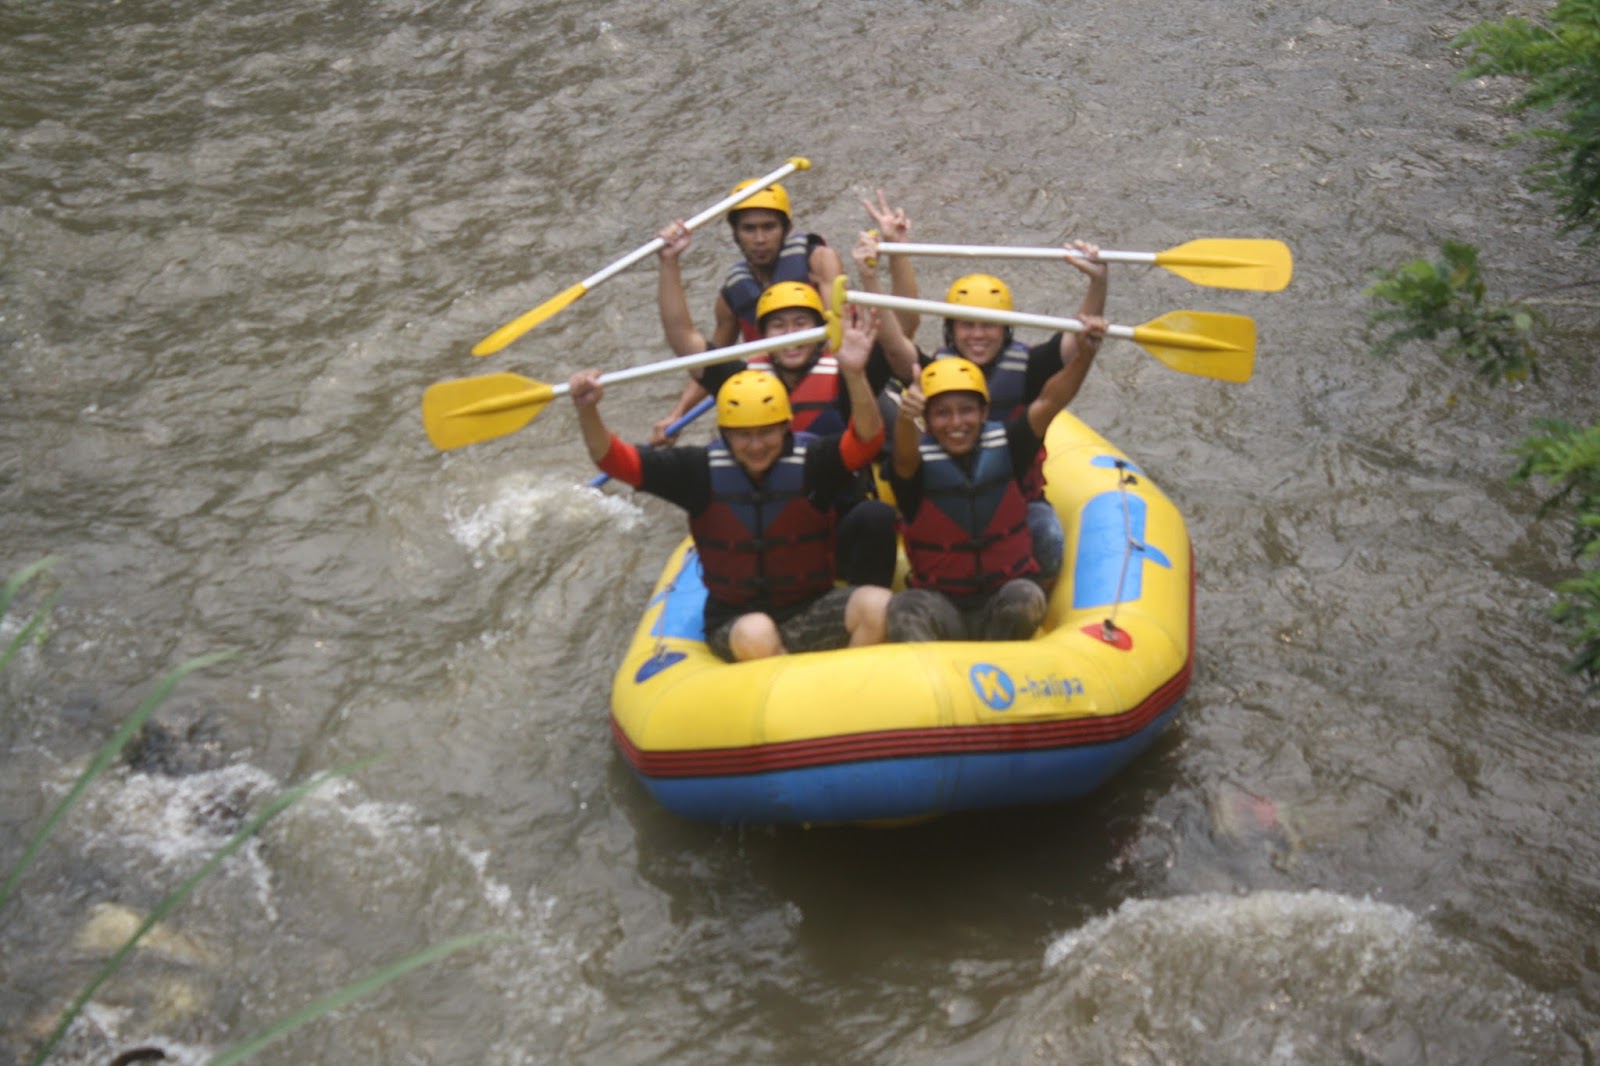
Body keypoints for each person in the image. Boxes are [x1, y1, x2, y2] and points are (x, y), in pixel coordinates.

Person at [569, 306, 891, 664]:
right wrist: (588, 411)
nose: (756, 446)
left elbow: (867, 441)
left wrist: (854, 372)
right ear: (724, 434)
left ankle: (844, 690)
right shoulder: (698, 471)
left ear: (786, 427)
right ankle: (794, 703)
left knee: (877, 605)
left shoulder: (814, 461)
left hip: (809, 606)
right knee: (758, 632)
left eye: (766, 433)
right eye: (743, 436)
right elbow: (615, 461)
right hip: (736, 620)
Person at [864, 198, 1109, 584]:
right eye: (966, 326)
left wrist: (1098, 283)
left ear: (1006, 328)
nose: (977, 335)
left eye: (988, 325)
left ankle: (1034, 598)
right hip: (945, 491)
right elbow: (894, 341)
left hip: (1015, 494)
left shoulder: (1028, 367)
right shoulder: (934, 372)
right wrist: (887, 259)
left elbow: (1079, 341)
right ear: (951, 331)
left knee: (1046, 540)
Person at [883, 334, 1105, 644]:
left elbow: (1052, 401)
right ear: (928, 420)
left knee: (1027, 595)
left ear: (984, 413)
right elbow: (904, 458)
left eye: (966, 410)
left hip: (999, 602)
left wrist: (1085, 356)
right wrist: (907, 418)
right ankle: (938, 683)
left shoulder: (1010, 446)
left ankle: (996, 669)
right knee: (904, 608)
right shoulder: (916, 467)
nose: (956, 422)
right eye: (943, 413)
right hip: (943, 605)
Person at [652, 178, 844, 444]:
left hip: (833, 376)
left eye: (769, 227)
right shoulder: (732, 295)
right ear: (735, 233)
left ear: (786, 228)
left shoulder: (819, 259)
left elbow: (839, 326)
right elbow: (709, 360)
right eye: (749, 229)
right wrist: (678, 413)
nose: (760, 239)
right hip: (770, 385)